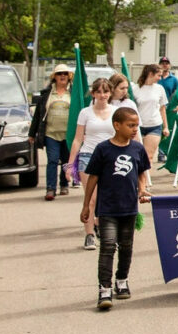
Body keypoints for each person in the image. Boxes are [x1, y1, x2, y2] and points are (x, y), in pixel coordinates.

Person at [80, 107, 150, 311]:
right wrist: (87, 206)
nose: (135, 129)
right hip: (107, 208)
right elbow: (93, 177)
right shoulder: (103, 149)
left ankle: (122, 280)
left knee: (126, 247)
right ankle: (104, 289)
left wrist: (142, 190)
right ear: (116, 125)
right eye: (130, 125)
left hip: (129, 209)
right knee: (108, 246)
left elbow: (141, 173)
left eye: (136, 125)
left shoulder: (137, 148)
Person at [69, 79, 117, 250]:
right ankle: (89, 235)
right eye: (98, 92)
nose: (102, 95)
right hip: (88, 156)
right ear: (93, 94)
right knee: (92, 198)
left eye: (105, 92)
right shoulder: (85, 113)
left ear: (110, 93)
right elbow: (77, 139)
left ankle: (104, 230)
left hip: (111, 158)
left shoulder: (116, 112)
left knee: (107, 198)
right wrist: (70, 164)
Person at [30, 64, 74, 200]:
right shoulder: (46, 94)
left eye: (65, 74)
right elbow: (38, 115)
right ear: (54, 76)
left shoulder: (73, 93)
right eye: (59, 73)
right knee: (53, 161)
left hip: (68, 135)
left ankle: (64, 184)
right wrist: (32, 134)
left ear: (69, 76)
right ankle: (50, 189)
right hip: (51, 134)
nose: (62, 76)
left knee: (66, 161)